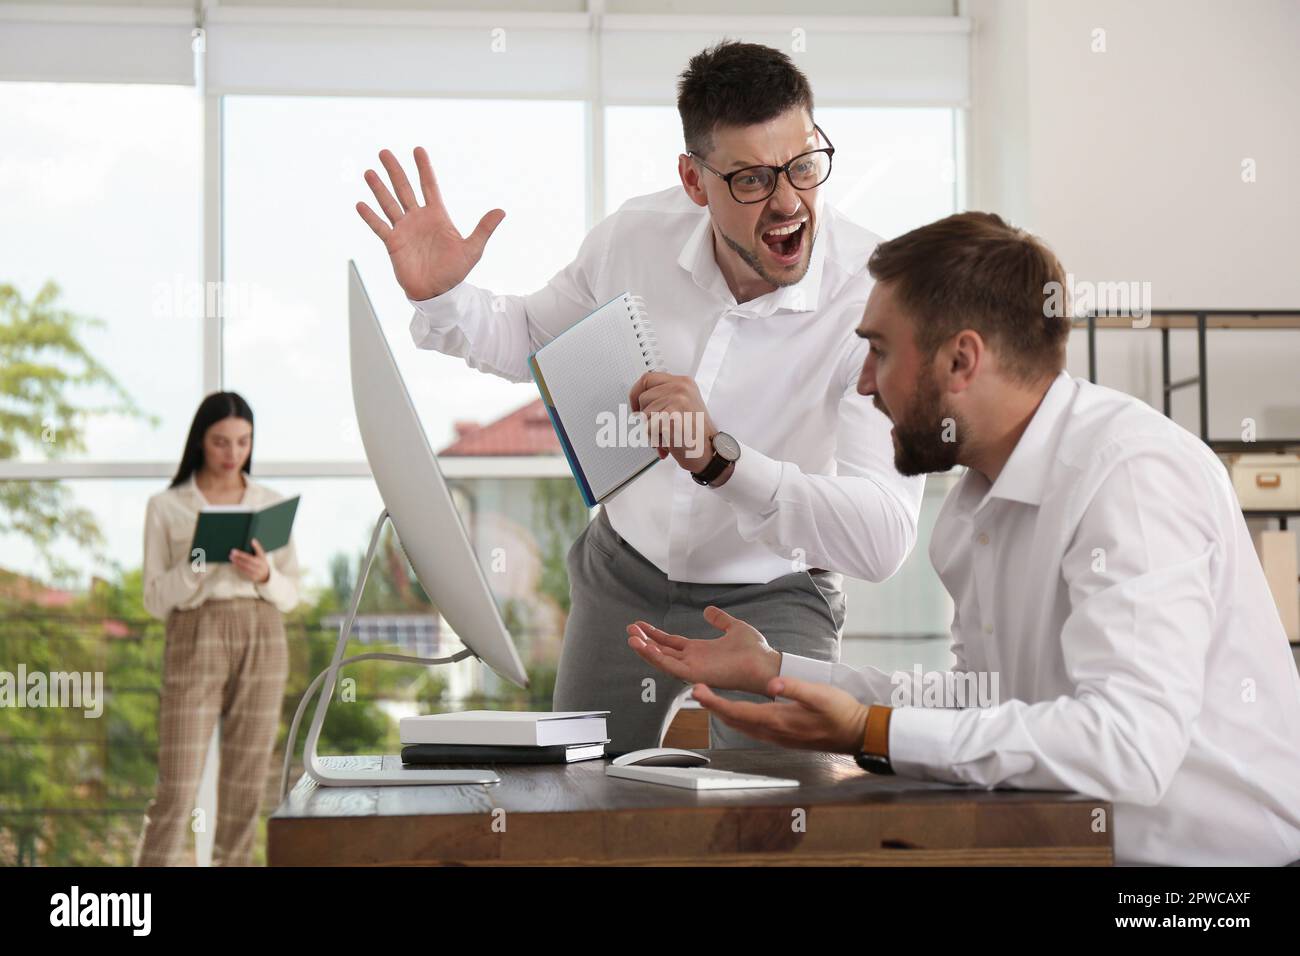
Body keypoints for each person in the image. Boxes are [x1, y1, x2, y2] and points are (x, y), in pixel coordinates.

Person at [627, 211, 1300, 866]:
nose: (864, 384)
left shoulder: (1131, 474)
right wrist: (780, 673)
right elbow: (980, 702)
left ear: (961, 360)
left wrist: (870, 731)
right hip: (1076, 850)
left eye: (880, 351)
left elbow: (1126, 746)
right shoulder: (973, 506)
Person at [355, 41, 922, 753]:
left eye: (804, 167)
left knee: (779, 822)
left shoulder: (870, 295)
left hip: (776, 590)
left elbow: (883, 539)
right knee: (582, 800)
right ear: (694, 180)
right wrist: (446, 294)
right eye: (750, 179)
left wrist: (720, 458)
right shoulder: (634, 240)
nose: (788, 202)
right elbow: (530, 338)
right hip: (623, 573)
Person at [135, 391, 300, 866]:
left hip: (263, 633)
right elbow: (152, 600)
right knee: (176, 788)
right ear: (200, 442)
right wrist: (196, 567)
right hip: (195, 633)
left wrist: (265, 574)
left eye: (243, 442)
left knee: (245, 788)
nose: (233, 455)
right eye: (221, 442)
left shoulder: (271, 503)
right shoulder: (166, 506)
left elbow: (293, 594)